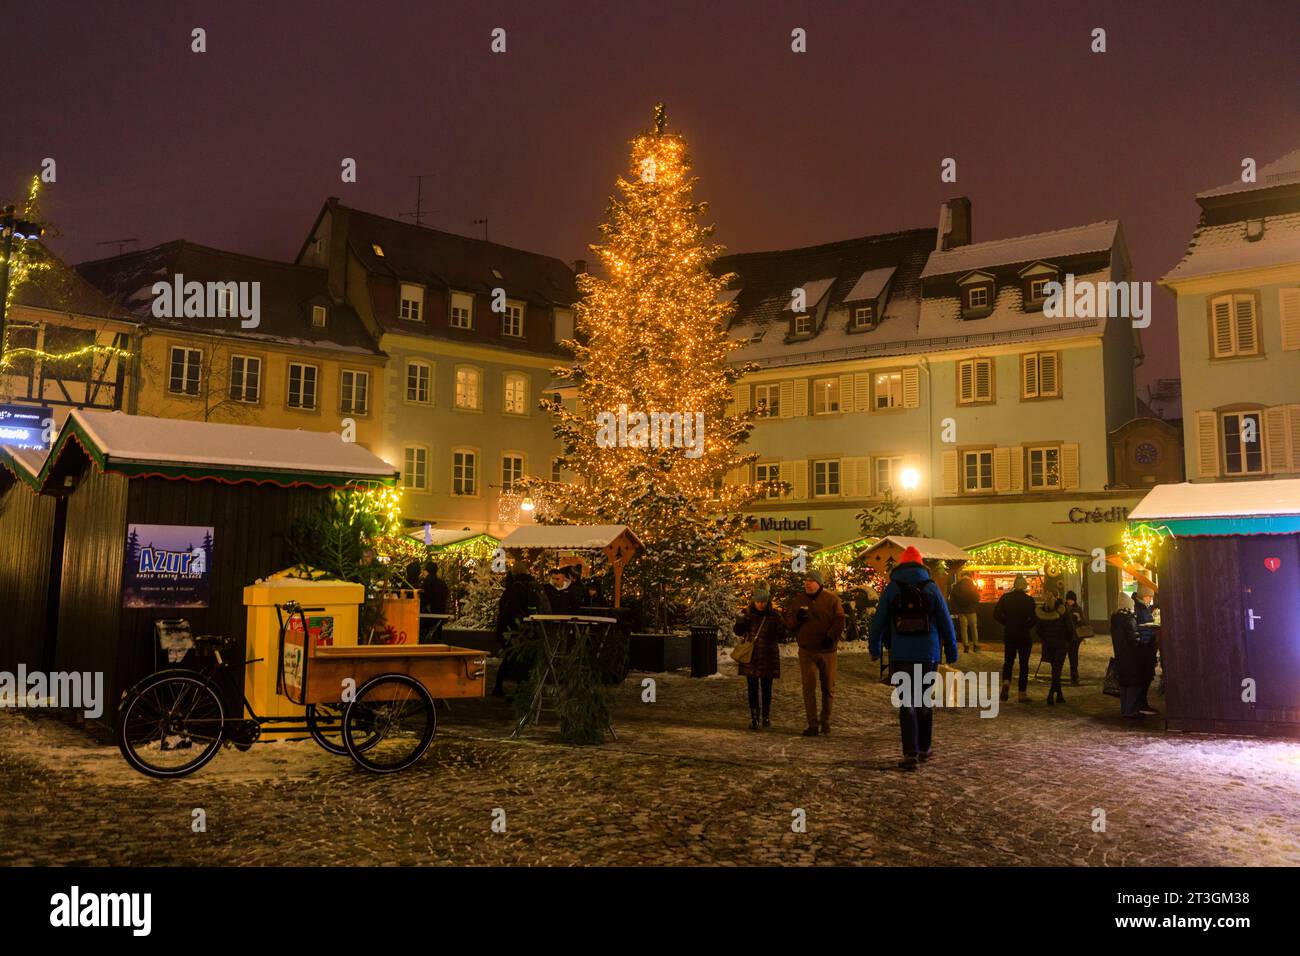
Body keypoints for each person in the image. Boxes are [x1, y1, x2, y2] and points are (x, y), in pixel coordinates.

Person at [869, 545, 958, 770]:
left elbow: (878, 621)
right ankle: (924, 748)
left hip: (901, 654)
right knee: (924, 701)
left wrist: (875, 647)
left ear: (901, 564)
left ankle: (910, 753)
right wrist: (952, 651)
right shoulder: (932, 588)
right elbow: (946, 622)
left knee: (907, 702)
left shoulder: (892, 588)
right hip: (928, 654)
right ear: (921, 564)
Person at [782, 569, 845, 737]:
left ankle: (825, 720)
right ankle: (812, 723)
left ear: (819, 583)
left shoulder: (831, 600)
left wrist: (831, 637)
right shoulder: (798, 600)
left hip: (827, 651)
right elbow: (788, 623)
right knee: (808, 687)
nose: (807, 583)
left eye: (811, 580)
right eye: (806, 580)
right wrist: (797, 620)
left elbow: (839, 620)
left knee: (828, 687)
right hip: (807, 650)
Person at [733, 584, 785, 730]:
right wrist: (740, 622)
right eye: (758, 601)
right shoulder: (747, 614)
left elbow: (783, 634)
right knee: (752, 688)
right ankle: (754, 717)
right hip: (751, 657)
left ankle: (766, 716)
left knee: (767, 688)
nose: (760, 604)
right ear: (754, 601)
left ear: (768, 601)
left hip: (768, 656)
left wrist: (781, 628)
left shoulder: (774, 616)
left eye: (763, 601)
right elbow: (738, 631)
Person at [492, 567, 539, 697]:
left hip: (510, 629)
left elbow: (507, 610)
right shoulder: (526, 587)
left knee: (509, 658)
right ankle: (518, 690)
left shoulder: (512, 589)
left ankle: (501, 687)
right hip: (521, 629)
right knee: (520, 660)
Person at [994, 574, 1038, 702]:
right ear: (1024, 586)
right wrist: (1027, 625)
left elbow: (996, 614)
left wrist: (1006, 622)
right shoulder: (1029, 600)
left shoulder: (1006, 598)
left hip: (1010, 634)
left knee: (1008, 661)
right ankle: (1022, 693)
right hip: (1024, 635)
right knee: (1024, 664)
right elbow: (1034, 618)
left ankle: (1006, 682)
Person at [1109, 593, 1145, 719]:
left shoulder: (1115, 619)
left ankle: (1124, 708)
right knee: (1133, 683)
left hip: (1120, 654)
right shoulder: (1129, 619)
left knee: (1124, 683)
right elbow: (1134, 639)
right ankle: (1130, 710)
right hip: (1130, 655)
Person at [1034, 590, 1072, 706]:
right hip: (1061, 644)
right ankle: (1051, 695)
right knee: (1057, 670)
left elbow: (1038, 630)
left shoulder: (1041, 612)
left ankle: (1059, 695)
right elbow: (1069, 627)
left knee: (1055, 669)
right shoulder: (1062, 611)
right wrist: (1069, 640)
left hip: (1048, 645)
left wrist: (1044, 639)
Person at [1133, 585, 1160, 716]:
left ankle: (1141, 703)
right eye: (1149, 597)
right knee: (1145, 675)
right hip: (1145, 645)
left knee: (1147, 675)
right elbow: (1142, 626)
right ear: (1144, 595)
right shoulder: (1140, 608)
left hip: (1147, 644)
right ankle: (1141, 703)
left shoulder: (1143, 607)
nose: (1150, 599)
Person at [949, 570, 982, 653]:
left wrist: (955, 608)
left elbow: (952, 598)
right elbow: (977, 598)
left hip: (961, 611)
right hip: (971, 610)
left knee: (964, 628)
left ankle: (966, 646)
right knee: (973, 628)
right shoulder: (972, 585)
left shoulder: (957, 585)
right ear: (969, 576)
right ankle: (975, 645)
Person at [1062, 590, 1087, 684]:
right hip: (1066, 635)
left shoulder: (1077, 609)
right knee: (1070, 655)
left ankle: (1074, 673)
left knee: (1073, 655)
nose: (1070, 601)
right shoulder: (1063, 608)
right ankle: (1073, 673)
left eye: (1071, 600)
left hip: (1075, 636)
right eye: (1068, 599)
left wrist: (1079, 618)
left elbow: (1083, 622)